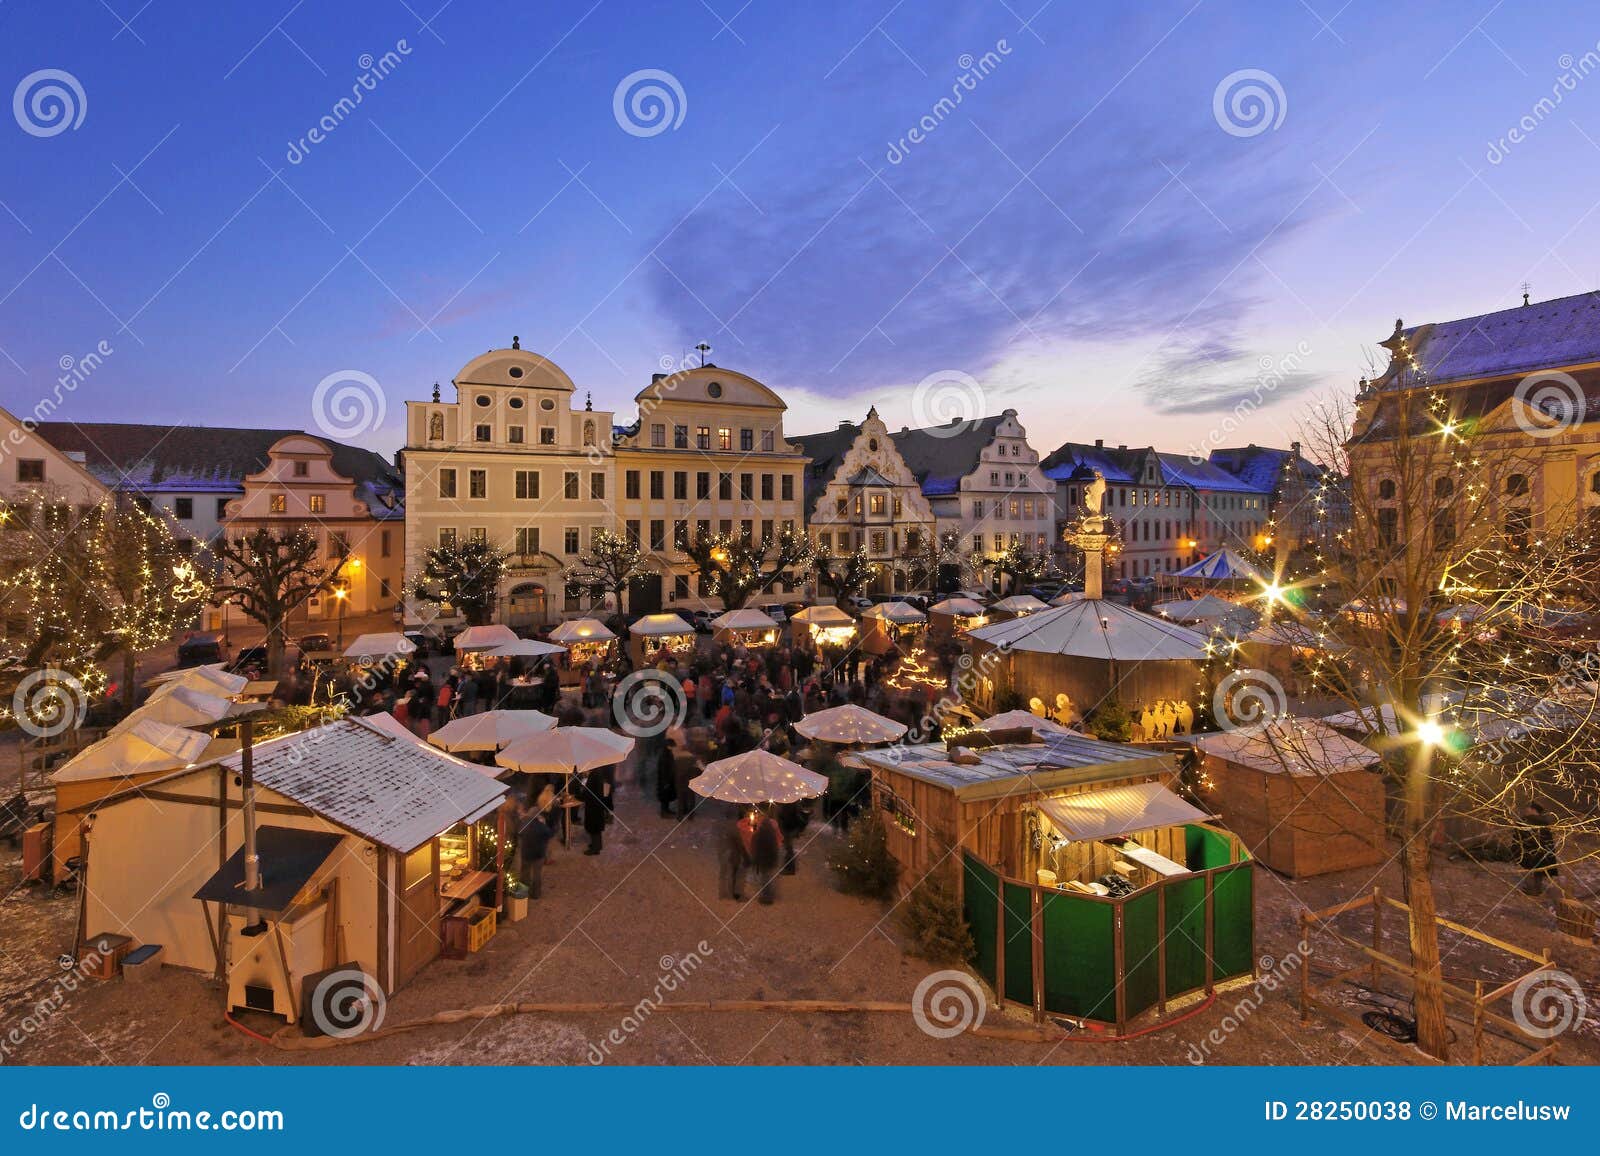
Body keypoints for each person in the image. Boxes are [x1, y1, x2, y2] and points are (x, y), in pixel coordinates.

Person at [1516, 802, 1559, 895]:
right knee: (1538, 870)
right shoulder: (1542, 822)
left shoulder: (1532, 821)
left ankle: (1536, 890)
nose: (1526, 810)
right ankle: (1536, 888)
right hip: (1542, 850)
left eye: (1528, 808)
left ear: (1533, 810)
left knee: (1536, 869)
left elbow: (1524, 833)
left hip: (1535, 850)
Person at [517, 799, 552, 899]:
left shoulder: (523, 824)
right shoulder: (540, 826)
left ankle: (523, 894)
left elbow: (519, 833)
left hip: (526, 853)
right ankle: (536, 894)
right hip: (538, 854)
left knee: (524, 874)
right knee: (536, 874)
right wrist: (543, 823)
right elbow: (549, 834)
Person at [750, 808, 784, 905]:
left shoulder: (758, 834)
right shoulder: (772, 834)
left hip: (763, 860)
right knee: (768, 877)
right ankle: (769, 894)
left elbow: (755, 848)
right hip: (771, 860)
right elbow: (775, 847)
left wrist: (755, 860)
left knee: (765, 879)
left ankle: (767, 897)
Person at [579, 772, 608, 855]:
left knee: (594, 827)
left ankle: (595, 849)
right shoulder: (597, 775)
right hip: (597, 805)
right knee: (596, 827)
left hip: (593, 806)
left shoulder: (594, 776)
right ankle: (597, 845)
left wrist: (580, 796)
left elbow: (589, 792)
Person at [655, 738, 678, 818]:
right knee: (665, 796)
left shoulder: (667, 753)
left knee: (667, 796)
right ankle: (664, 812)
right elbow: (664, 769)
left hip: (667, 779)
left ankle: (666, 810)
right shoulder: (664, 756)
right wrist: (666, 782)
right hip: (664, 780)